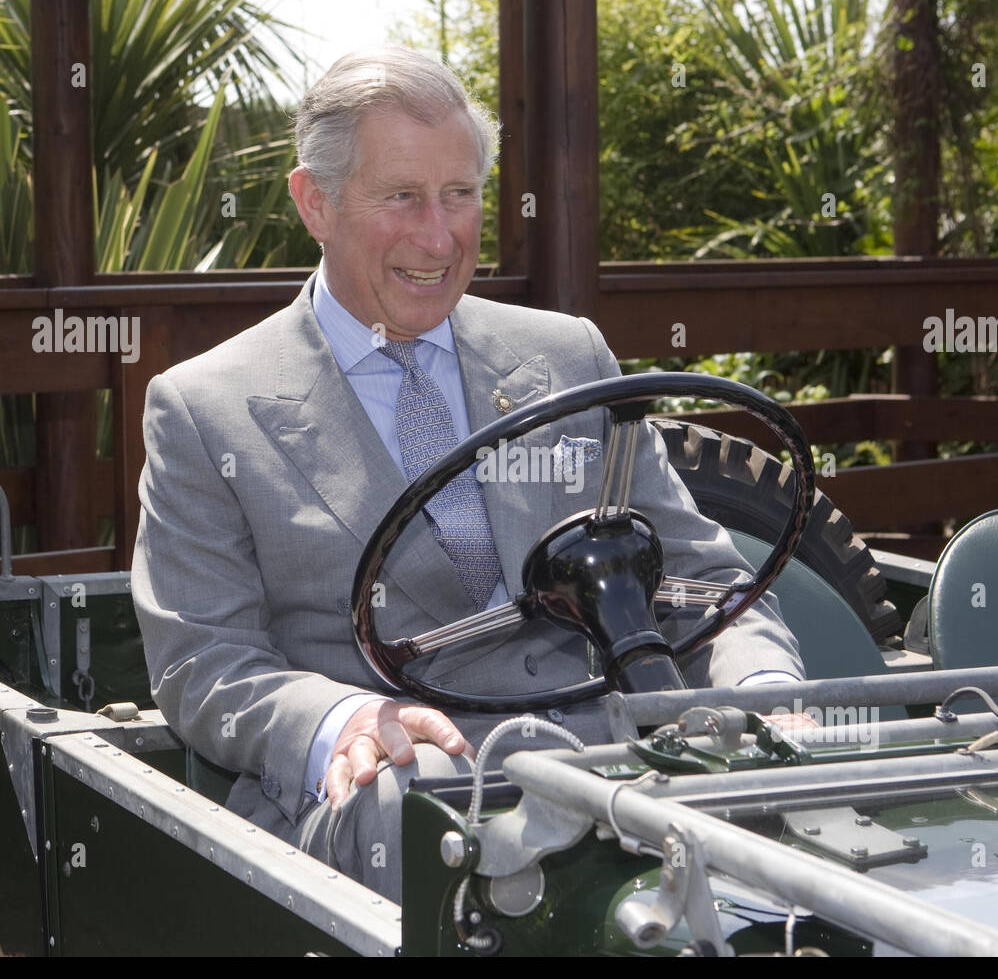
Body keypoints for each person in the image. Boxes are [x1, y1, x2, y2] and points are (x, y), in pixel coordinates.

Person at [131, 48, 803, 903]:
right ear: (316, 203)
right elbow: (205, 662)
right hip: (401, 807)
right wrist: (344, 722)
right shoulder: (204, 410)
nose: (440, 238)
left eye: (460, 195)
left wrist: (768, 696)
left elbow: (705, 580)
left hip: (627, 775)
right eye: (403, 197)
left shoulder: (567, 357)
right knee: (408, 809)